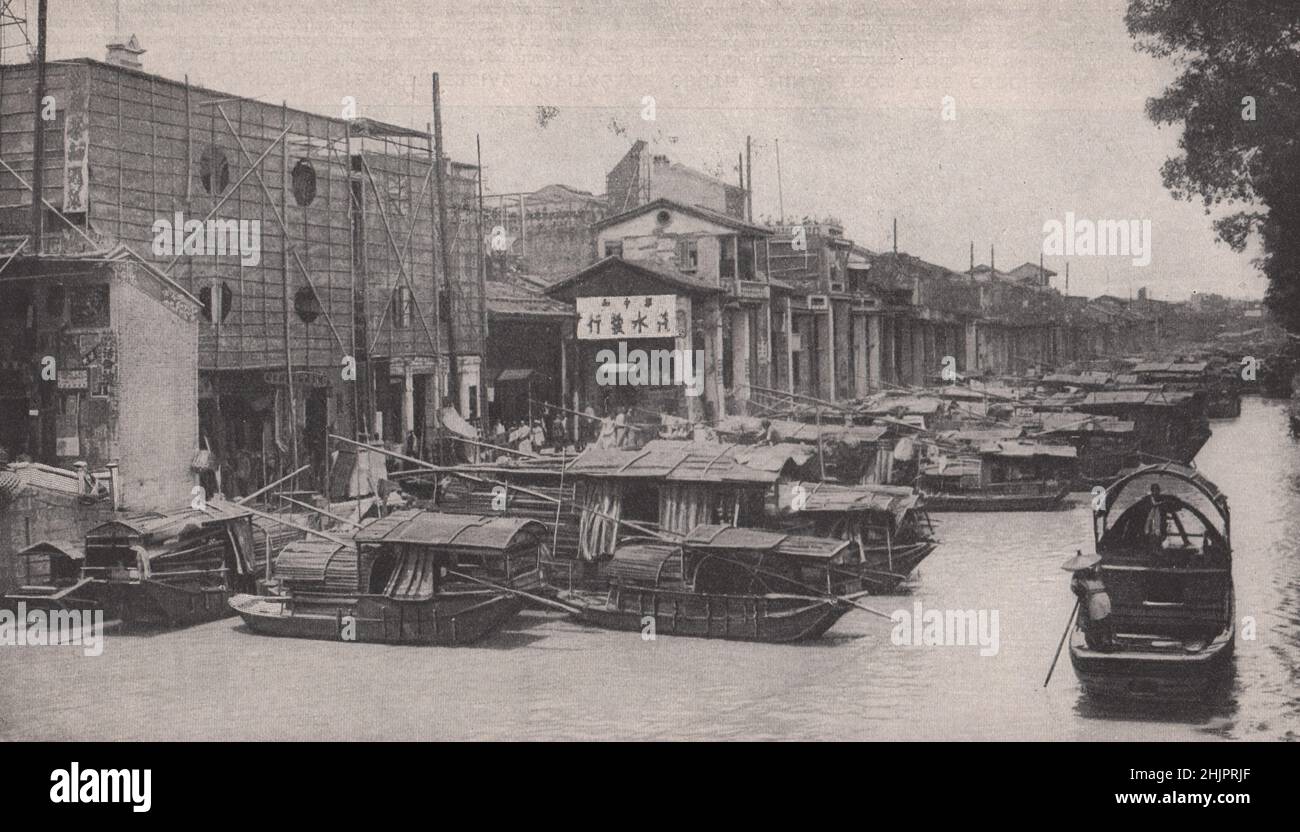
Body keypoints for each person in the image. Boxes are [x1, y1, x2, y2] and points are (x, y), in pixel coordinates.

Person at [1063, 551, 1113, 651]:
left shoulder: (1078, 578)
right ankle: (1107, 642)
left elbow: (1079, 592)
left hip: (1095, 600)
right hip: (1105, 598)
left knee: (1096, 623)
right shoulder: (1094, 574)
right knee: (1105, 621)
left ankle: (1099, 645)